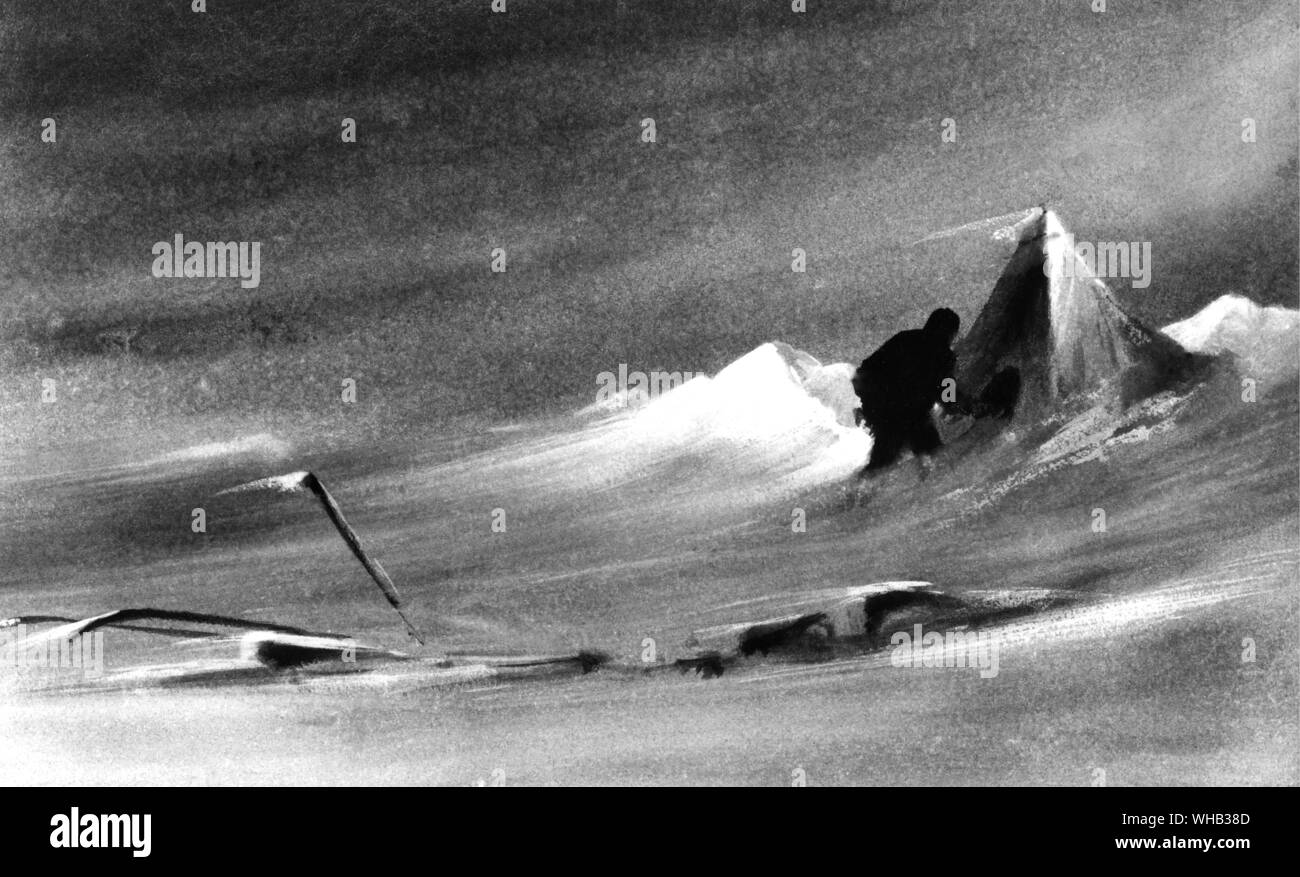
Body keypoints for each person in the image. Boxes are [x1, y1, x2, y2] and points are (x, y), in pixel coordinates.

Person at [851, 307, 963, 480]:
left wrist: (870, 402)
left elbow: (865, 370)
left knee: (880, 464)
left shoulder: (904, 339)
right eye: (952, 333)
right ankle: (926, 495)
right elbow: (947, 394)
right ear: (949, 332)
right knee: (937, 459)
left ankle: (854, 499)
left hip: (888, 413)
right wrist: (961, 406)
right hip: (912, 417)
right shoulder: (945, 356)